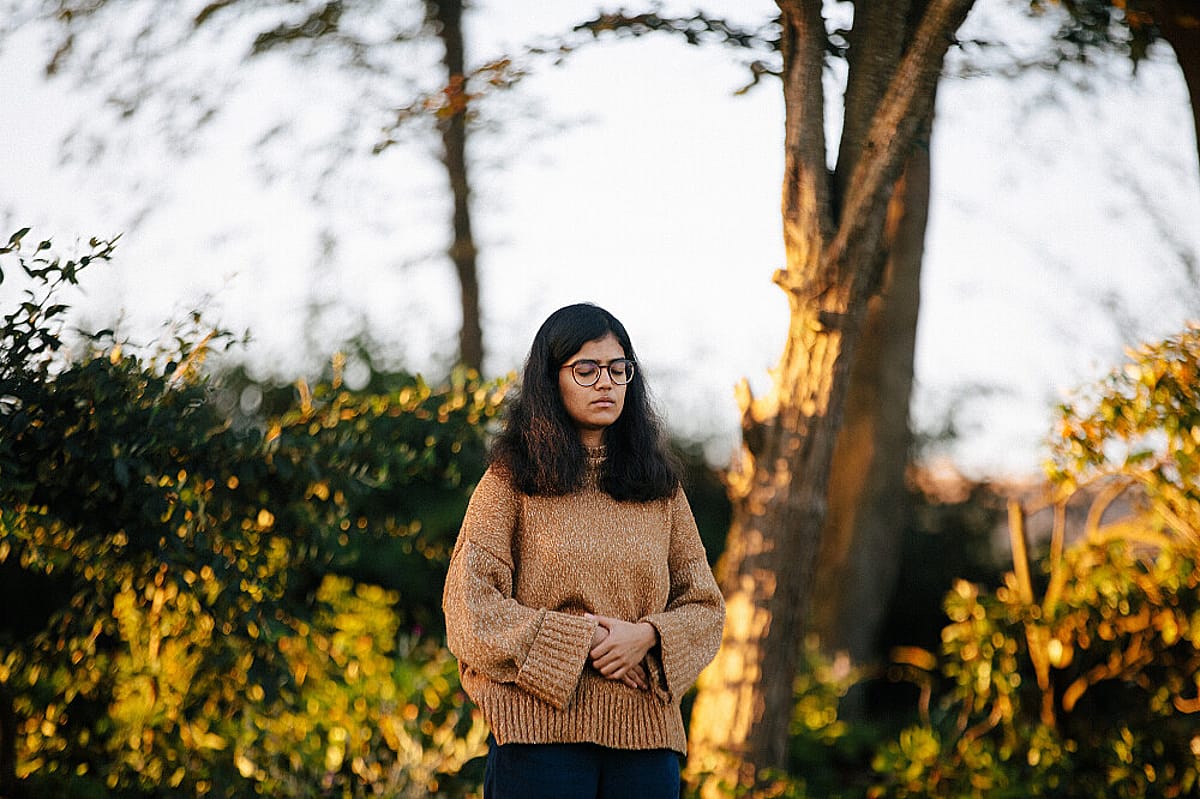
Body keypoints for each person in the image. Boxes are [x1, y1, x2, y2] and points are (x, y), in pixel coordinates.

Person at [442, 302, 726, 799]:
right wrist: (583, 641)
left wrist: (647, 637)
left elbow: (705, 607)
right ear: (552, 381)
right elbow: (470, 609)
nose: (606, 383)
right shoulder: (511, 481)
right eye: (586, 369)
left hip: (646, 746)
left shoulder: (660, 487)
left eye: (618, 369)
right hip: (538, 742)